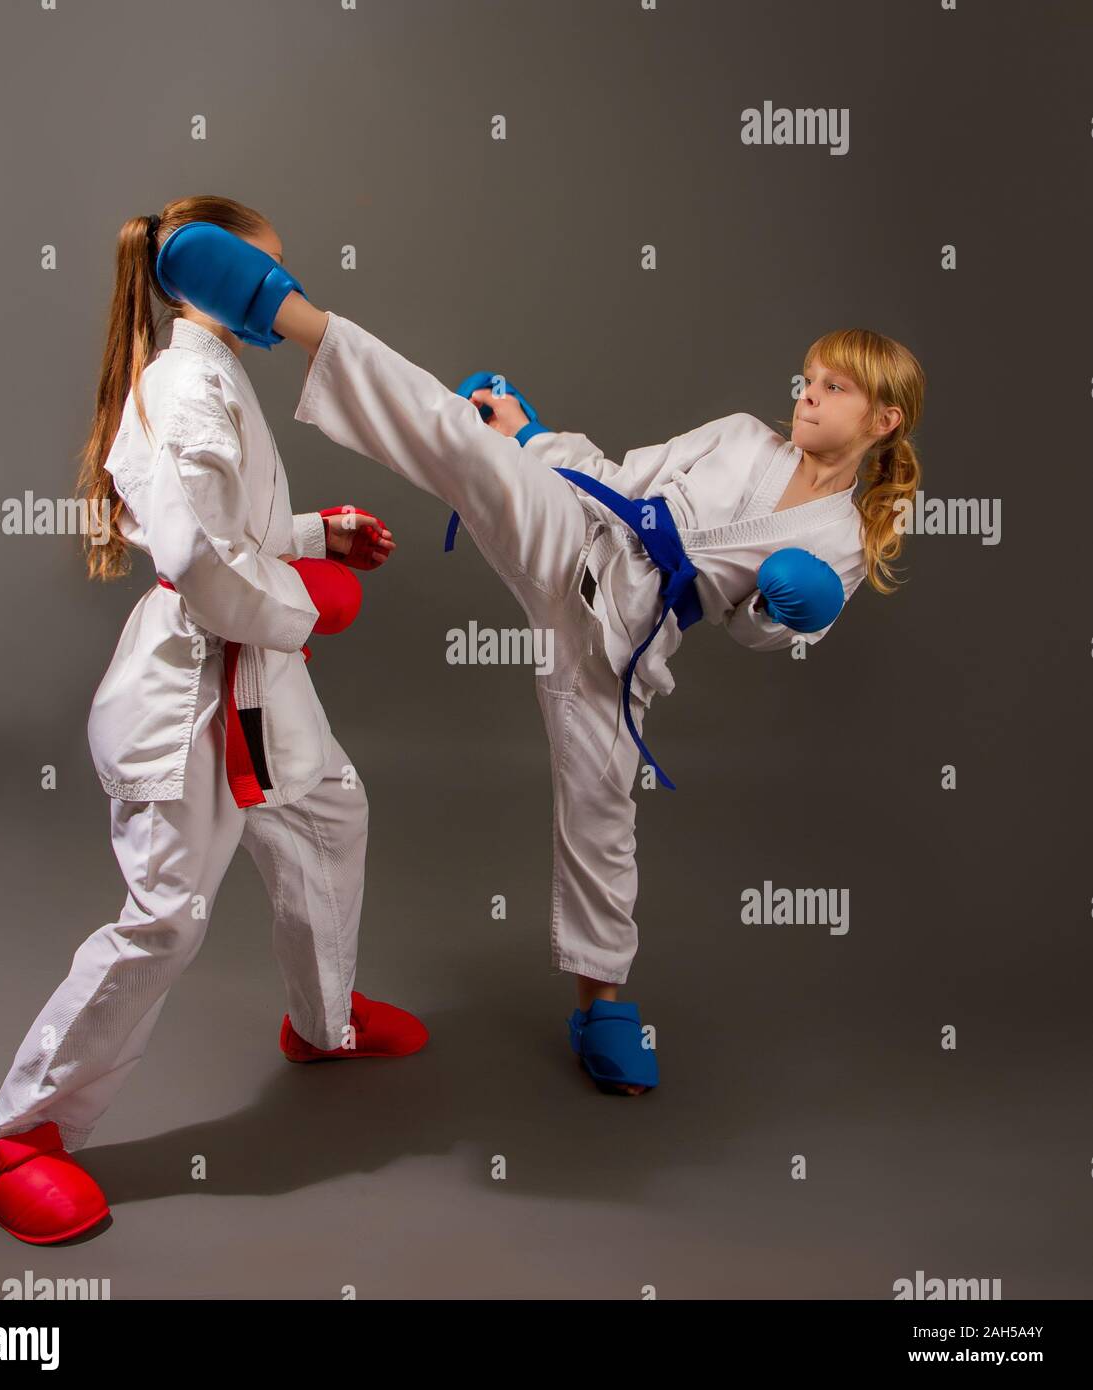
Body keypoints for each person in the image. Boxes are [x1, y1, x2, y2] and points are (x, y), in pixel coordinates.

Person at [155, 217, 925, 1098]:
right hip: (580, 539)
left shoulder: (842, 542)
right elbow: (625, 478)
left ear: (883, 417)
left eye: (835, 387)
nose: (809, 394)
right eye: (811, 377)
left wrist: (788, 610)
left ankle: (601, 1005)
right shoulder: (743, 436)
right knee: (457, 439)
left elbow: (759, 632)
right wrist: (528, 435)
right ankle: (282, 311)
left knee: (601, 816)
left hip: (628, 644)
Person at [0, 196, 427, 1246]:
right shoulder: (184, 385)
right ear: (200, 273)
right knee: (166, 916)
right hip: (190, 690)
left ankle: (324, 1021)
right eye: (261, 272)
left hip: (253, 675)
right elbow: (197, 558)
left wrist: (318, 529)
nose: (278, 293)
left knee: (330, 815)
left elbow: (236, 525)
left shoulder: (214, 378)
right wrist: (313, 598)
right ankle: (11, 1139)